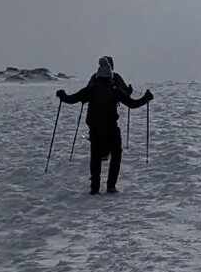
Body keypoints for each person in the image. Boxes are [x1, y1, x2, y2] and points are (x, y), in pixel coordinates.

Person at [57, 56, 151, 195]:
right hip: (111, 128)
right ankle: (111, 186)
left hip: (95, 128)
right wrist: (146, 98)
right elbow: (132, 104)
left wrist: (62, 95)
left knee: (95, 156)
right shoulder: (114, 89)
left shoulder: (92, 88)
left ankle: (94, 188)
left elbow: (72, 99)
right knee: (116, 154)